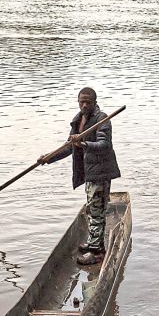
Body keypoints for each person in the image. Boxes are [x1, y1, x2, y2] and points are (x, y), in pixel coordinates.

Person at [39, 87, 121, 265]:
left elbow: (104, 145)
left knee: (97, 211)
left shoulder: (102, 119)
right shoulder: (78, 121)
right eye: (81, 102)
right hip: (89, 172)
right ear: (78, 101)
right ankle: (93, 243)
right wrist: (48, 158)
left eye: (88, 102)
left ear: (94, 102)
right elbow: (69, 147)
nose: (84, 105)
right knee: (92, 209)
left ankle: (97, 253)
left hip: (100, 172)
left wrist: (82, 143)